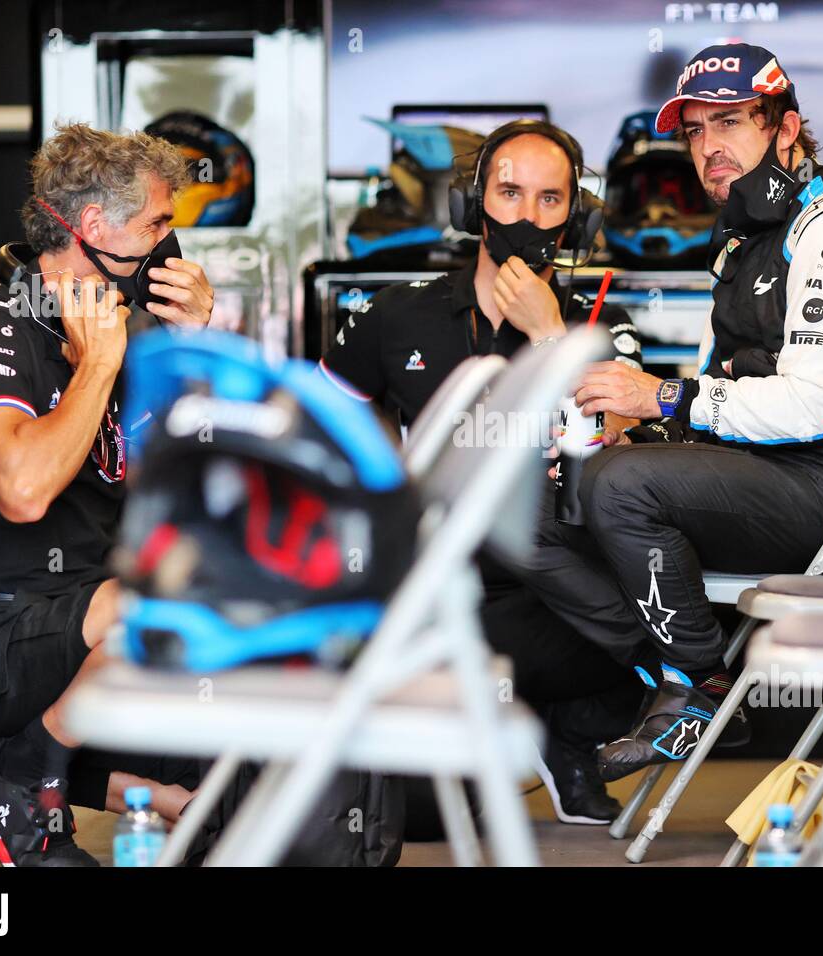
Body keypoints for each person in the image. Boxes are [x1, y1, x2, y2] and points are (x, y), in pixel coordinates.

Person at [519, 44, 823, 781]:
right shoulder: (744, 241)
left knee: (619, 486)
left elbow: (810, 406)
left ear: (786, 128)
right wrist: (648, 423)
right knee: (539, 505)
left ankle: (697, 685)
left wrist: (662, 395)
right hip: (770, 478)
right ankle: (678, 673)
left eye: (731, 122)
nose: (709, 147)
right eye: (696, 131)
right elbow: (720, 393)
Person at [318, 120, 646, 824]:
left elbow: (622, 436)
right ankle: (485, 715)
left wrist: (549, 329)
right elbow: (326, 418)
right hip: (440, 584)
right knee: (428, 818)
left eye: (550, 198)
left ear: (576, 216)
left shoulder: (599, 322)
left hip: (560, 586)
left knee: (663, 613)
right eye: (508, 193)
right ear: (473, 208)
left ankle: (570, 733)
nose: (528, 217)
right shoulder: (397, 312)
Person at [0, 123, 215, 866]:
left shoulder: (136, 336)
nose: (168, 245)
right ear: (93, 228)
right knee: (159, 596)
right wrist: (95, 369)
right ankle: (17, 771)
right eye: (157, 224)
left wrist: (189, 353)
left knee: (233, 794)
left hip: (103, 632)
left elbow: (179, 501)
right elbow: (23, 492)